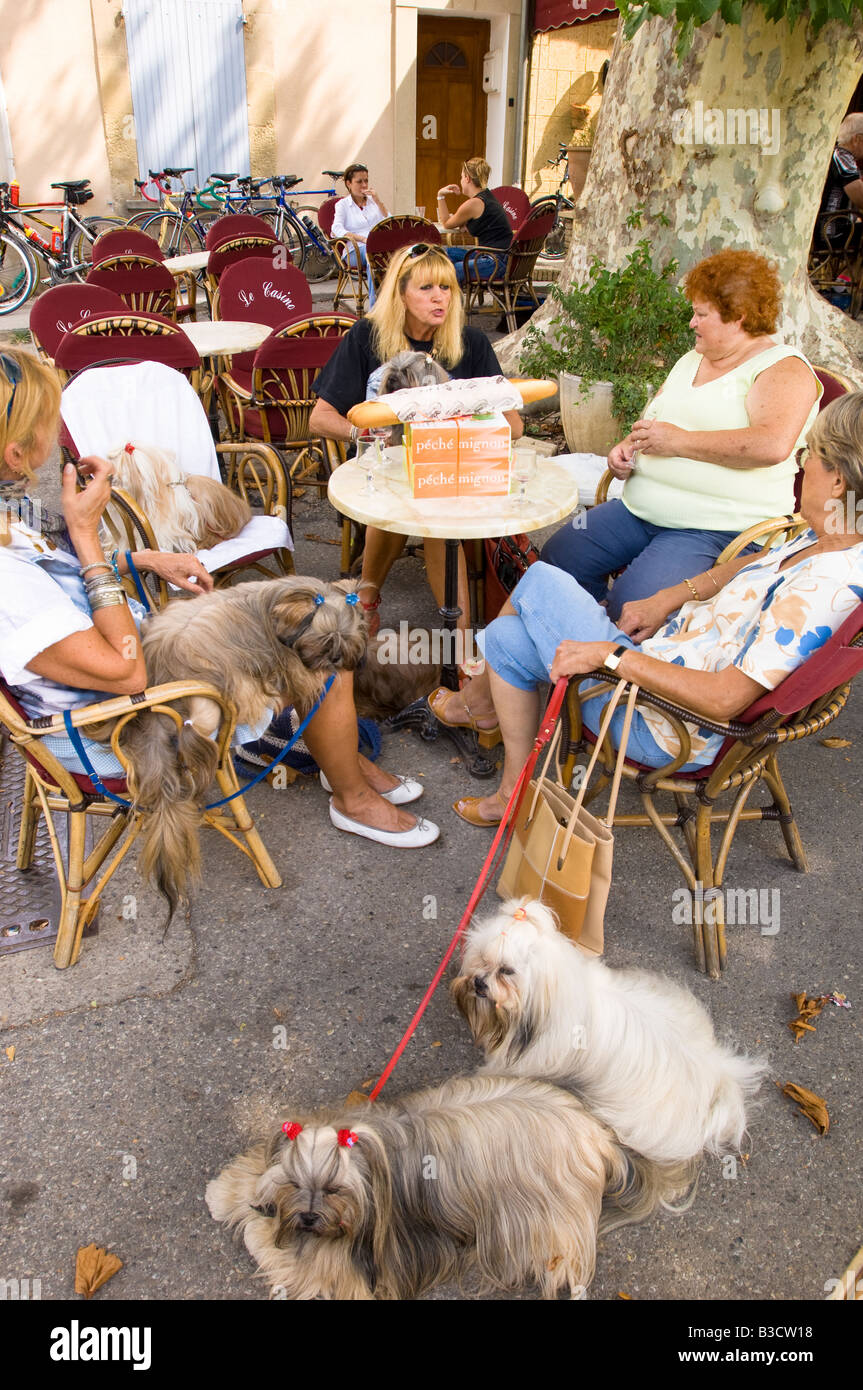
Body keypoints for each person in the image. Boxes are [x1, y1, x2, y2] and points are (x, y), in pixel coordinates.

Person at [0, 351, 438, 849]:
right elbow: (126, 674)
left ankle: (340, 763)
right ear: (16, 453)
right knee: (319, 636)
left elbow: (59, 580)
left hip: (142, 653)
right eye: (47, 421)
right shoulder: (6, 583)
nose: (58, 430)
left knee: (311, 608)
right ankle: (351, 796)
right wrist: (84, 534)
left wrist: (142, 561)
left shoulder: (9, 512)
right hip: (128, 716)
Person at [449, 392, 863, 825]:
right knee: (505, 639)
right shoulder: (825, 538)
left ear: (838, 481)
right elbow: (753, 562)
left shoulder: (821, 588)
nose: (800, 466)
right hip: (661, 671)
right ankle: (514, 790)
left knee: (540, 581)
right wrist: (670, 596)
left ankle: (474, 706)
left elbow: (724, 699)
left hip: (665, 724)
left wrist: (611, 656)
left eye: (808, 454)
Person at [540, 249, 822, 620]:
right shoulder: (693, 359)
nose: (692, 323)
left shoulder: (782, 368)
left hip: (716, 528)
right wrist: (628, 447)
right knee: (559, 557)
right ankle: (586, 638)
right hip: (639, 509)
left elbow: (771, 445)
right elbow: (654, 419)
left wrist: (677, 442)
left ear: (738, 317)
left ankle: (616, 654)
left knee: (634, 603)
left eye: (701, 314)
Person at [309, 241, 523, 633]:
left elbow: (515, 425)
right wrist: (365, 432)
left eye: (446, 287)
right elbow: (320, 419)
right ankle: (380, 604)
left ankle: (449, 638)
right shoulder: (367, 337)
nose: (439, 297)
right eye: (426, 288)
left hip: (450, 470)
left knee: (436, 508)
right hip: (385, 468)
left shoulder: (470, 343)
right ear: (401, 294)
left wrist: (474, 419)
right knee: (411, 502)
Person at [436, 157, 512, 285]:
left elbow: (447, 223)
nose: (460, 181)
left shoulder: (474, 204)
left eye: (461, 177)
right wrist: (467, 223)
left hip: (495, 262)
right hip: (495, 258)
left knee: (454, 270)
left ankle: (453, 303)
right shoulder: (487, 197)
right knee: (445, 254)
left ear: (467, 178)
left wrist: (440, 195)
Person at [331, 163, 388, 308]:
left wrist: (378, 201)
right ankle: (376, 309)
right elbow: (336, 228)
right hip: (354, 250)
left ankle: (394, 304)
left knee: (398, 256)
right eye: (359, 181)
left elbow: (389, 221)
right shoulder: (342, 205)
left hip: (378, 248)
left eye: (366, 181)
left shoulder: (373, 202)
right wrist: (362, 239)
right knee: (373, 255)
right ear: (349, 184)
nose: (364, 185)